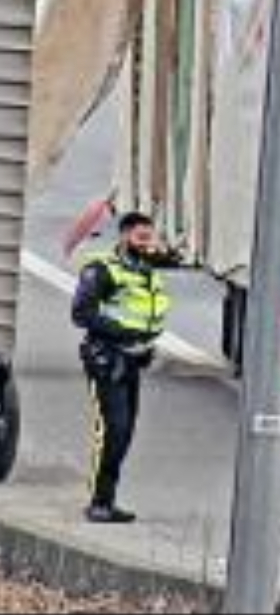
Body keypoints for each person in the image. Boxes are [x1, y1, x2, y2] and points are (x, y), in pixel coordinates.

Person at [70, 211, 178, 524]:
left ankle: (108, 499)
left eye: (150, 237)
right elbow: (81, 314)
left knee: (126, 432)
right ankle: (99, 502)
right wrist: (123, 332)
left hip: (133, 360)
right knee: (112, 431)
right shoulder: (102, 270)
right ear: (124, 236)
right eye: (140, 238)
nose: (147, 244)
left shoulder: (148, 271)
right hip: (106, 358)